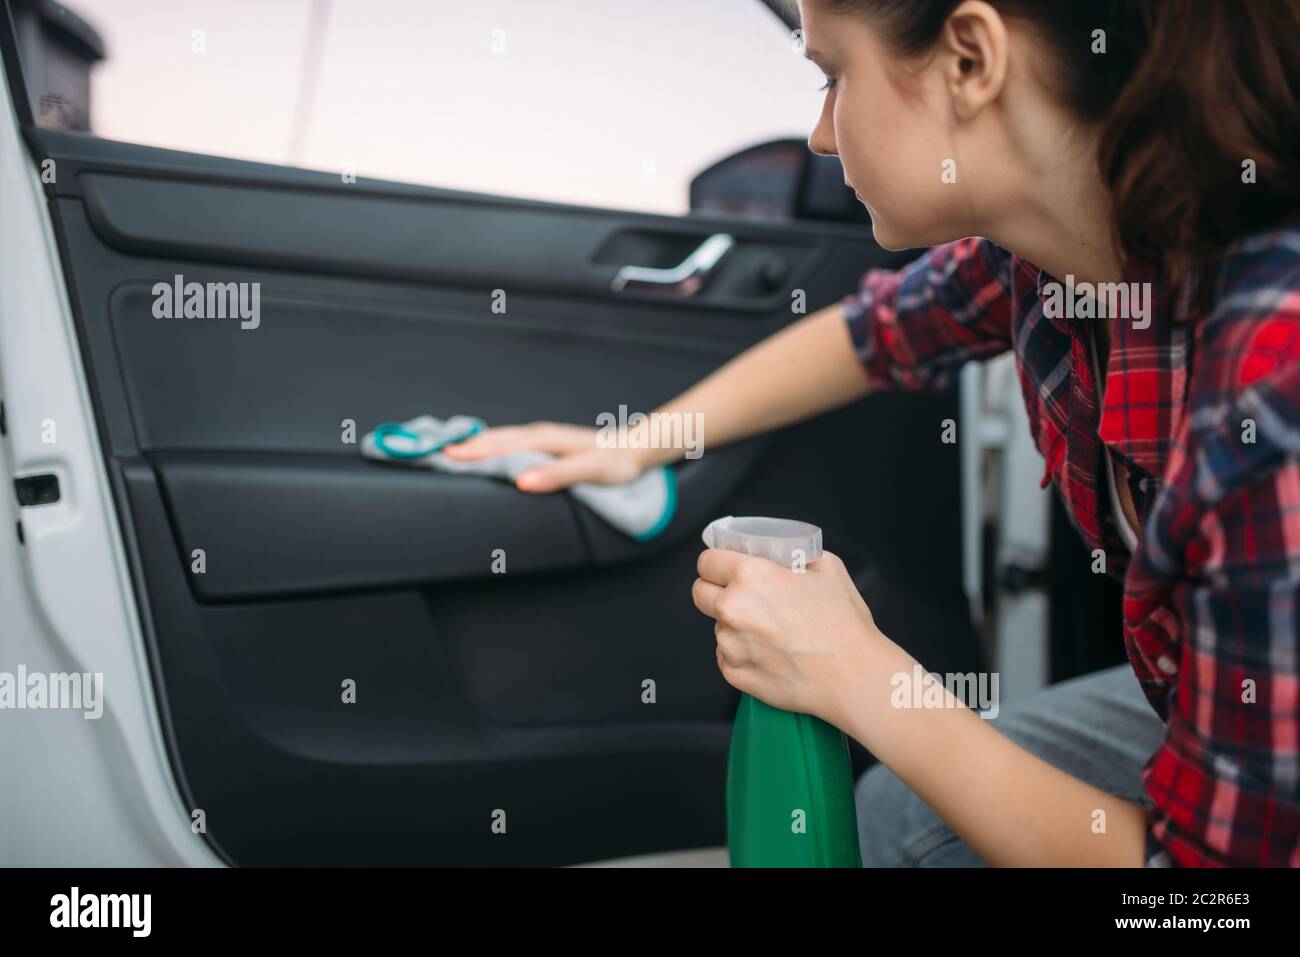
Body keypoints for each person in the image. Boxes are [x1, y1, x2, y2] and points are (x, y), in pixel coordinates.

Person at [445, 0, 1300, 866]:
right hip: (1201, 702)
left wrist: (858, 675)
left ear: (970, 60)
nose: (820, 133)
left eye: (832, 76)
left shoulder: (1271, 385)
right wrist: (638, 441)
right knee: (899, 816)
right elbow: (873, 335)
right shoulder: (1047, 261)